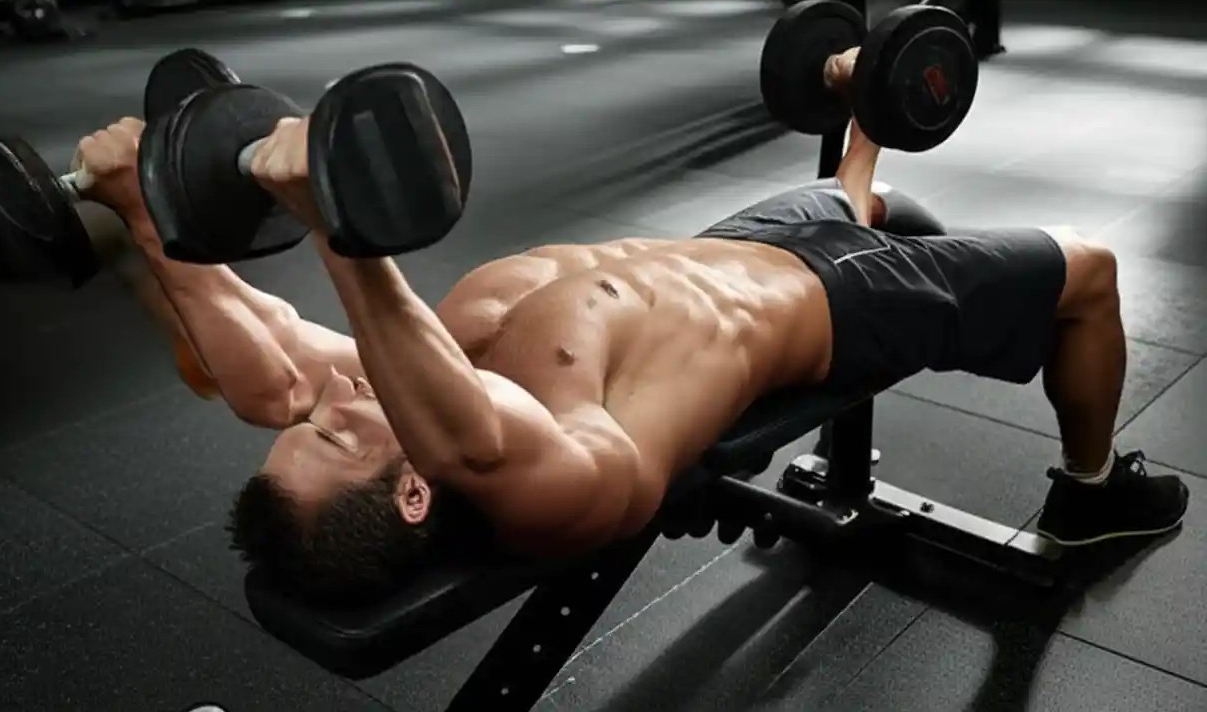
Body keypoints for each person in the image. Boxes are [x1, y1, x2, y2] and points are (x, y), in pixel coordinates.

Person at [70, 58, 1187, 603]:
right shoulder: (546, 473)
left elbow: (264, 362)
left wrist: (137, 208)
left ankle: (865, 103)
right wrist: (341, 235)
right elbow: (469, 439)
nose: (333, 399)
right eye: (333, 432)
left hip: (728, 249)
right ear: (413, 491)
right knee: (1084, 270)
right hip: (829, 311)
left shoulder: (406, 385)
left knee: (856, 192)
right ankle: (1090, 494)